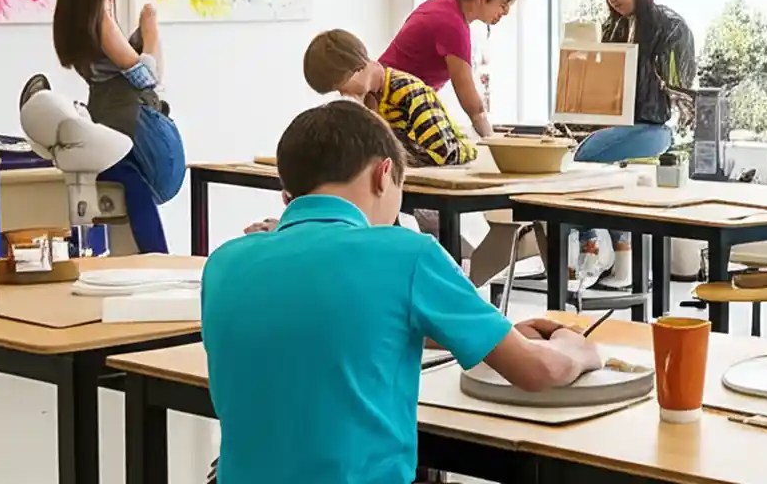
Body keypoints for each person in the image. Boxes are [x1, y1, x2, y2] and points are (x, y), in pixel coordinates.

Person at [201, 101, 603, 483]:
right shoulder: (406, 254)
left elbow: (337, 328)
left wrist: (495, 333)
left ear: (287, 192)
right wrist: (577, 347)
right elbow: (538, 372)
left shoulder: (223, 263)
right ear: (384, 174)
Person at [49, 0, 185, 254]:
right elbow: (145, 77)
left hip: (105, 117)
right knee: (136, 190)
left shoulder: (78, 18)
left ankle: (152, 258)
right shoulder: (101, 20)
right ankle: (157, 259)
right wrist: (150, 31)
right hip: (126, 124)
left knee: (132, 188)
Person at [572, 0, 697, 288]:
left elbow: (682, 91)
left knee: (581, 161)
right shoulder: (613, 27)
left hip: (654, 128)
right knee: (598, 170)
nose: (613, 1)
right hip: (617, 124)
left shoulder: (670, 28)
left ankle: (592, 247)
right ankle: (622, 264)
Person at [380, 0, 523, 138]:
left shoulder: (444, 7)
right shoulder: (452, 24)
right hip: (387, 108)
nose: (505, 12)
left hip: (390, 103)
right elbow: (472, 104)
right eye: (503, 3)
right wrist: (493, 142)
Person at [304, 28, 476, 167]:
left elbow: (445, 153)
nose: (343, 94)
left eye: (343, 85)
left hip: (431, 197)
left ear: (358, 67)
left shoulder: (408, 92)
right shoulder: (369, 100)